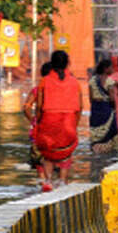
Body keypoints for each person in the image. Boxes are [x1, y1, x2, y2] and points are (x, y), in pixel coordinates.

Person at [34, 51, 82, 190]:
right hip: (69, 122)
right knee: (65, 154)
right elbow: (79, 107)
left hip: (49, 122)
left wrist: (38, 123)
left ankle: (48, 181)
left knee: (48, 154)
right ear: (67, 63)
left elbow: (39, 106)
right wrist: (74, 125)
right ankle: (62, 181)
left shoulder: (44, 81)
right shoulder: (75, 82)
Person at [23, 62, 53, 184]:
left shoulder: (36, 90)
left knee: (39, 161)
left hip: (38, 130)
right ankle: (51, 183)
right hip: (53, 129)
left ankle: (43, 184)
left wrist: (33, 121)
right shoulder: (57, 91)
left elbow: (26, 108)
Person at [89, 58, 118, 153]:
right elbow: (112, 98)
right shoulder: (110, 81)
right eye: (111, 68)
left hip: (95, 110)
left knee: (96, 132)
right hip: (107, 110)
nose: (112, 70)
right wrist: (115, 109)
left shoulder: (92, 80)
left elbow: (90, 98)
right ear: (106, 69)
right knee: (110, 132)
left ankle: (96, 149)